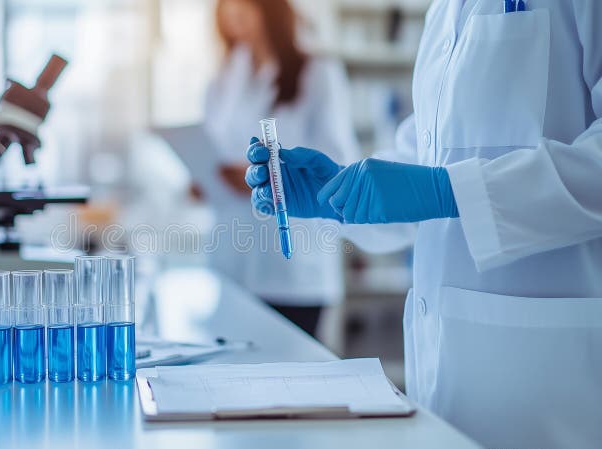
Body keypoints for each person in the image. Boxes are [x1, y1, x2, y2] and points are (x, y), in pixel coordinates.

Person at [245, 1, 602, 448]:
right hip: (444, 378)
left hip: (548, 386)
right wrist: (337, 193)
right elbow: (426, 160)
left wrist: (451, 191)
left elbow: (441, 181)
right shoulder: (444, 9)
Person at [203, 0, 360, 338]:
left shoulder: (316, 71)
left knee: (290, 380)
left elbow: (337, 163)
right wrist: (203, 179)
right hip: (233, 260)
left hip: (293, 266)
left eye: (244, 9)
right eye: (227, 9)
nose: (234, 17)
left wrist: (259, 179)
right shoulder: (227, 75)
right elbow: (215, 147)